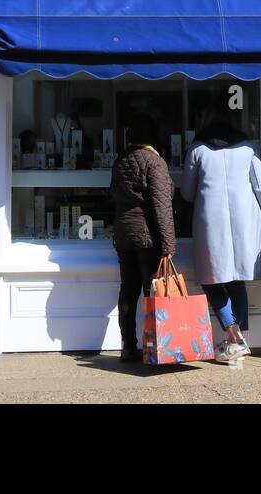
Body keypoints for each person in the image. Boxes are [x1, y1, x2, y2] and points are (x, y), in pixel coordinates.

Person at [180, 114, 261, 362]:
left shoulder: (198, 150)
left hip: (210, 221)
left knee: (212, 280)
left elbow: (186, 191)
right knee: (237, 280)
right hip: (244, 222)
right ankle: (240, 338)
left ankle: (234, 336)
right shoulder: (248, 149)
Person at [109, 113, 177, 362]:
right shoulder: (154, 162)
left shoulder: (120, 160)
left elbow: (113, 193)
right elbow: (162, 205)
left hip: (123, 232)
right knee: (153, 291)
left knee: (128, 290)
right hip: (147, 234)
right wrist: (169, 244)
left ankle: (128, 346)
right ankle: (155, 346)